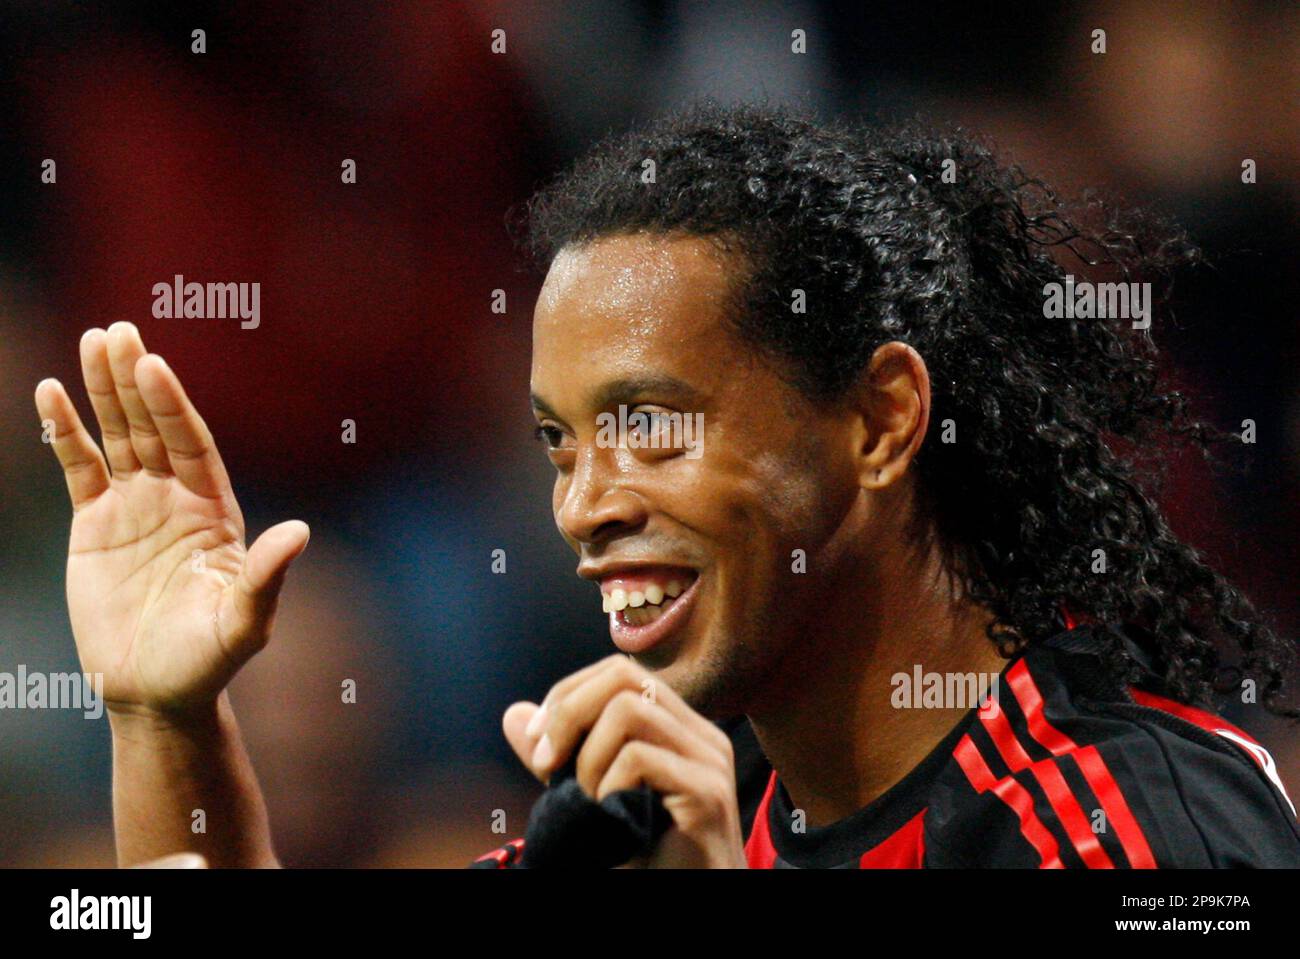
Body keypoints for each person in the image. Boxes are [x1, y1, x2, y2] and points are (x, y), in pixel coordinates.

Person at [36, 103, 1300, 869]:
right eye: (558, 442)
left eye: (647, 423)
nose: (585, 504)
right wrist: (166, 721)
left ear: (878, 419)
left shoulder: (1145, 819)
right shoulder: (658, 823)